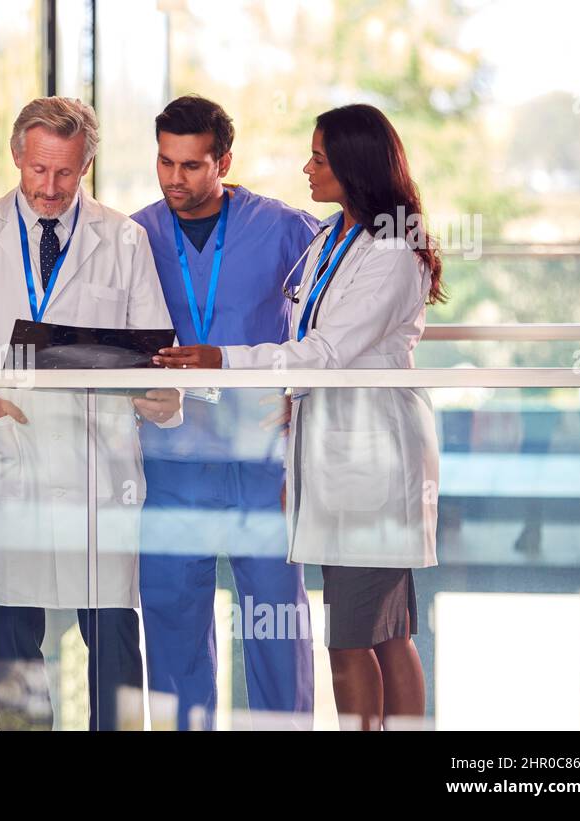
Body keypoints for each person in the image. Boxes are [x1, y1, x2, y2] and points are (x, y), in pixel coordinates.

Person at [154, 104, 446, 731]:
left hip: (372, 457)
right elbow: (308, 330)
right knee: (376, 630)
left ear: (353, 166)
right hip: (326, 451)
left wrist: (221, 359)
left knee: (363, 636)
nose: (306, 168)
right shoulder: (333, 237)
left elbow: (327, 351)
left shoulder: (393, 249)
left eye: (319, 158)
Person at [0, 96, 179, 731]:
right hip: (11, 456)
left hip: (99, 462)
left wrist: (157, 394)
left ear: (86, 165)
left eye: (66, 173)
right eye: (38, 170)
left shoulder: (123, 237)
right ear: (17, 156)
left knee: (113, 637)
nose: (50, 188)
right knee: (14, 640)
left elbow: (152, 349)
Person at [131, 95, 318, 730]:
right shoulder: (134, 235)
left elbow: (330, 319)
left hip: (260, 453)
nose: (174, 179)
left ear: (224, 162)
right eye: (164, 163)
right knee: (173, 616)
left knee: (275, 619)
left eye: (190, 165)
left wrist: (304, 394)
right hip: (170, 457)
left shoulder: (285, 227)